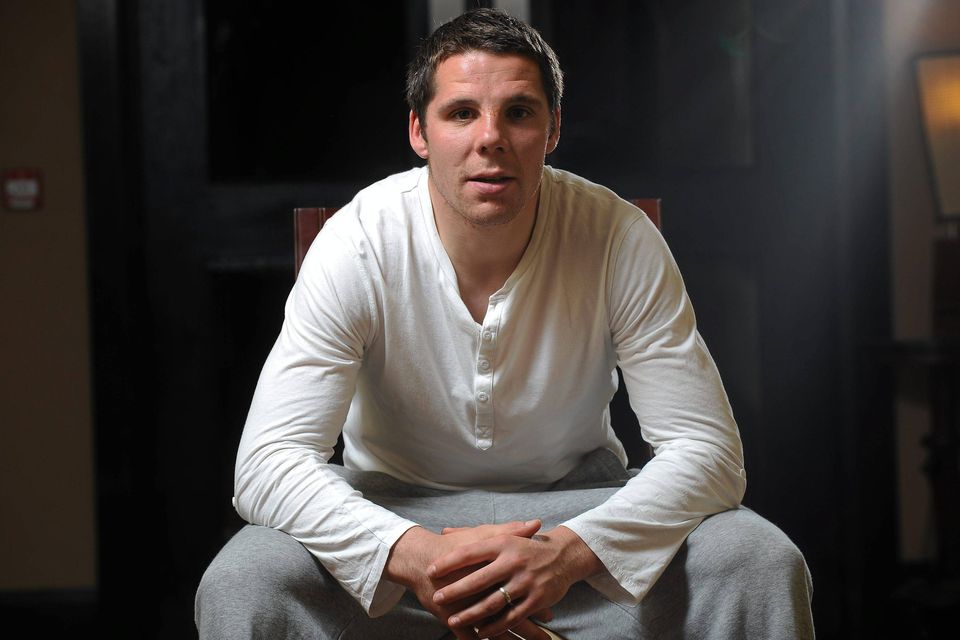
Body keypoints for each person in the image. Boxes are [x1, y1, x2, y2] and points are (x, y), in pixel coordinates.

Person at [196, 8, 814, 640]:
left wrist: (569, 554)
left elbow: (708, 452)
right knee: (245, 579)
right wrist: (417, 556)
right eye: (461, 113)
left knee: (756, 562)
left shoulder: (616, 235)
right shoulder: (357, 241)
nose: (489, 137)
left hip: (577, 518)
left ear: (552, 130)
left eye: (518, 112)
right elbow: (268, 463)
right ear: (419, 131)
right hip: (392, 518)